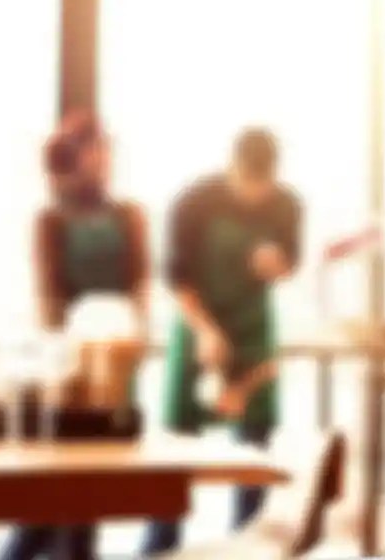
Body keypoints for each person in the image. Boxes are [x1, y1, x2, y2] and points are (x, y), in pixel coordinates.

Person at [140, 127, 303, 556]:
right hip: (198, 324)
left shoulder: (287, 205)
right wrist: (205, 330)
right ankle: (159, 546)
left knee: (255, 451)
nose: (255, 194)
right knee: (175, 450)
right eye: (248, 182)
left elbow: (291, 265)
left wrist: (277, 265)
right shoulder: (194, 201)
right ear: (233, 167)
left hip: (252, 332)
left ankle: (248, 546)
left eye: (263, 185)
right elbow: (176, 276)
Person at [0, 113, 150, 560]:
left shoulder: (129, 215)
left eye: (107, 150)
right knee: (51, 507)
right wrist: (65, 362)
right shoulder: (51, 219)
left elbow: (140, 284)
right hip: (68, 368)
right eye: (94, 150)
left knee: (88, 503)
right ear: (75, 157)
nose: (103, 159)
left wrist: (134, 341)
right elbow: (48, 298)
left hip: (116, 362)